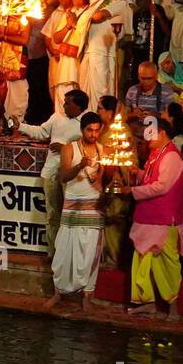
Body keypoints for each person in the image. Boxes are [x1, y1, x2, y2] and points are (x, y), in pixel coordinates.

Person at [120, 117, 183, 317]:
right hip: (148, 216)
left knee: (167, 263)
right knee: (142, 259)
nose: (147, 139)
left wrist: (132, 190)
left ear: (163, 133)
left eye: (151, 134)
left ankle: (173, 307)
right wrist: (138, 173)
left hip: (163, 219)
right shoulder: (157, 154)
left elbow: (162, 186)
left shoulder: (171, 156)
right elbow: (152, 179)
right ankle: (146, 301)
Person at [21, 89, 88, 258]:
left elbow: (90, 148)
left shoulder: (87, 122)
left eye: (68, 103)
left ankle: (71, 253)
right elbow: (41, 132)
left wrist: (65, 148)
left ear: (78, 106)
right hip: (52, 172)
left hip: (73, 176)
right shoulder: (57, 117)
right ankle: (54, 252)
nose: (64, 105)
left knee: (71, 214)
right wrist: (19, 126)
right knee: (52, 214)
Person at [48, 111, 105, 307]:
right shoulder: (70, 148)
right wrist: (79, 166)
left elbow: (103, 179)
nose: (93, 134)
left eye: (97, 130)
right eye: (90, 130)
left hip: (93, 207)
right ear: (82, 130)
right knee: (64, 252)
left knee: (90, 254)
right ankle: (58, 293)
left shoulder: (102, 150)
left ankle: (87, 297)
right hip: (72, 206)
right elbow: (64, 176)